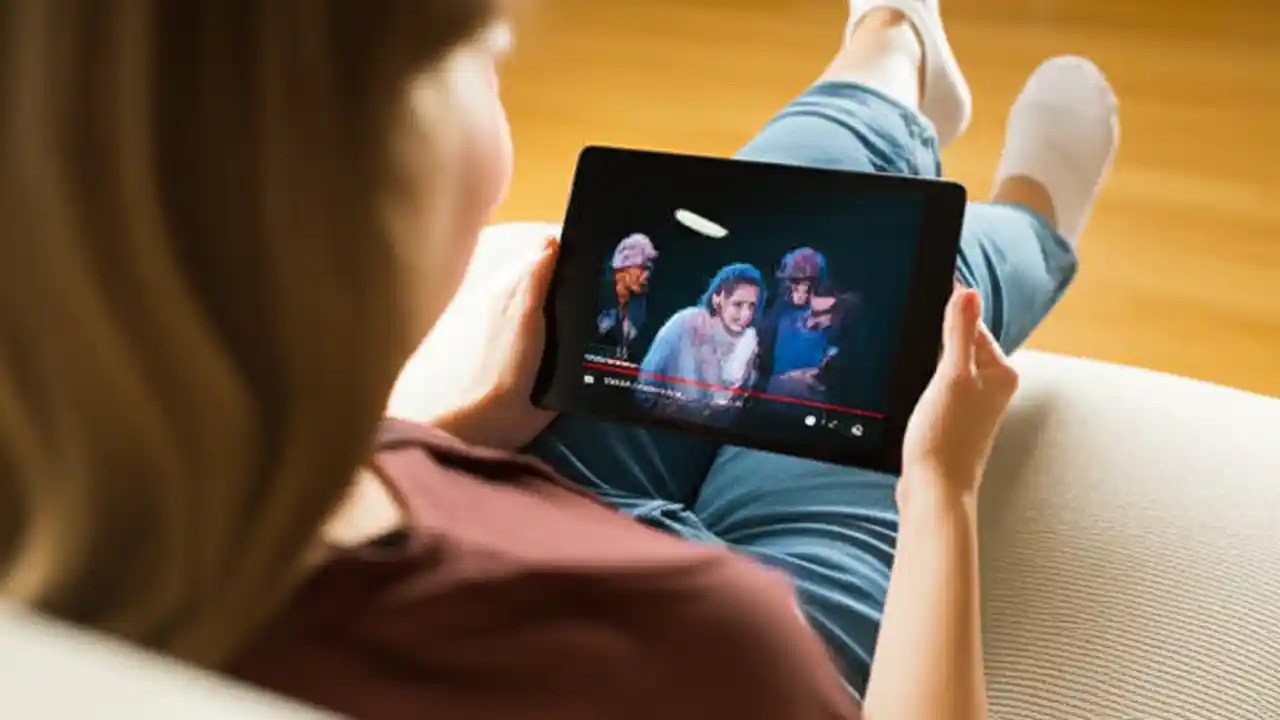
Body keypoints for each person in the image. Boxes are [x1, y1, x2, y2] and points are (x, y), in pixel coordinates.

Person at [0, 1, 1119, 720]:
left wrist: (457, 432)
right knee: (918, 290)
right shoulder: (714, 647)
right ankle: (1017, 200)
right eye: (484, 57)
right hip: (679, 589)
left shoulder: (90, 492)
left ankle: (885, 56)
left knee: (791, 212)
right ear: (344, 182)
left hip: (492, 493)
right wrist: (942, 490)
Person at [634, 263, 766, 424]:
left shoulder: (749, 343)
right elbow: (644, 388)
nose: (746, 315)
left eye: (752, 306)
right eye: (738, 305)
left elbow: (736, 411)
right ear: (717, 298)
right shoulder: (685, 323)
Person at [756, 247, 834, 394]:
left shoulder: (831, 316)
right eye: (796, 281)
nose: (803, 289)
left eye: (809, 282)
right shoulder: (775, 317)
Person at [596, 232, 659, 359]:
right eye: (643, 268)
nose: (647, 275)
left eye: (650, 270)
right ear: (623, 267)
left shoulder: (640, 306)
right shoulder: (597, 299)